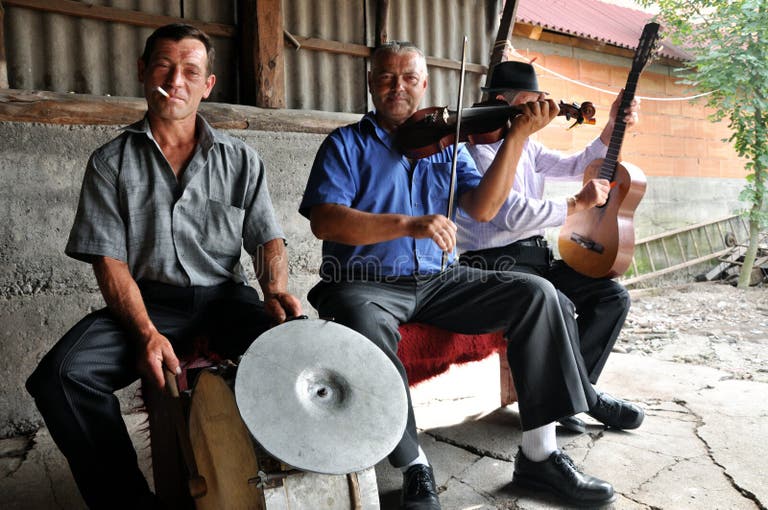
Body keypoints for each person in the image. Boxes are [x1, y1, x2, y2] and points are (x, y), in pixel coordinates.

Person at [300, 41, 617, 509]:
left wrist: (516, 138)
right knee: (358, 318)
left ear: (425, 85)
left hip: (439, 281)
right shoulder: (346, 144)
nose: (398, 87)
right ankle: (413, 465)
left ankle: (540, 456)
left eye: (409, 78)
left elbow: (486, 209)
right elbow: (325, 219)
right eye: (386, 77)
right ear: (371, 85)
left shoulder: (448, 147)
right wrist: (408, 224)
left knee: (537, 293)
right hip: (364, 281)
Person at [25, 24, 302, 509]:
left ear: (207, 84)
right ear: (142, 72)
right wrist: (145, 332)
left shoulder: (241, 160)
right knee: (61, 377)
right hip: (147, 302)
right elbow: (110, 262)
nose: (176, 81)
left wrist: (275, 289)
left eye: (190, 71)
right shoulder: (110, 162)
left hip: (225, 301)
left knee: (300, 351)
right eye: (164, 67)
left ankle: (286, 490)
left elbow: (267, 239)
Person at [457, 60, 644, 434]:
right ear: (502, 102)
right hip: (494, 266)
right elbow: (509, 215)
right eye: (534, 102)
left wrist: (612, 124)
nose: (544, 110)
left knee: (612, 296)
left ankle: (567, 399)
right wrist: (576, 204)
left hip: (535, 261)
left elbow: (577, 164)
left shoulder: (527, 146)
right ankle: (586, 399)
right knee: (556, 301)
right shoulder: (469, 153)